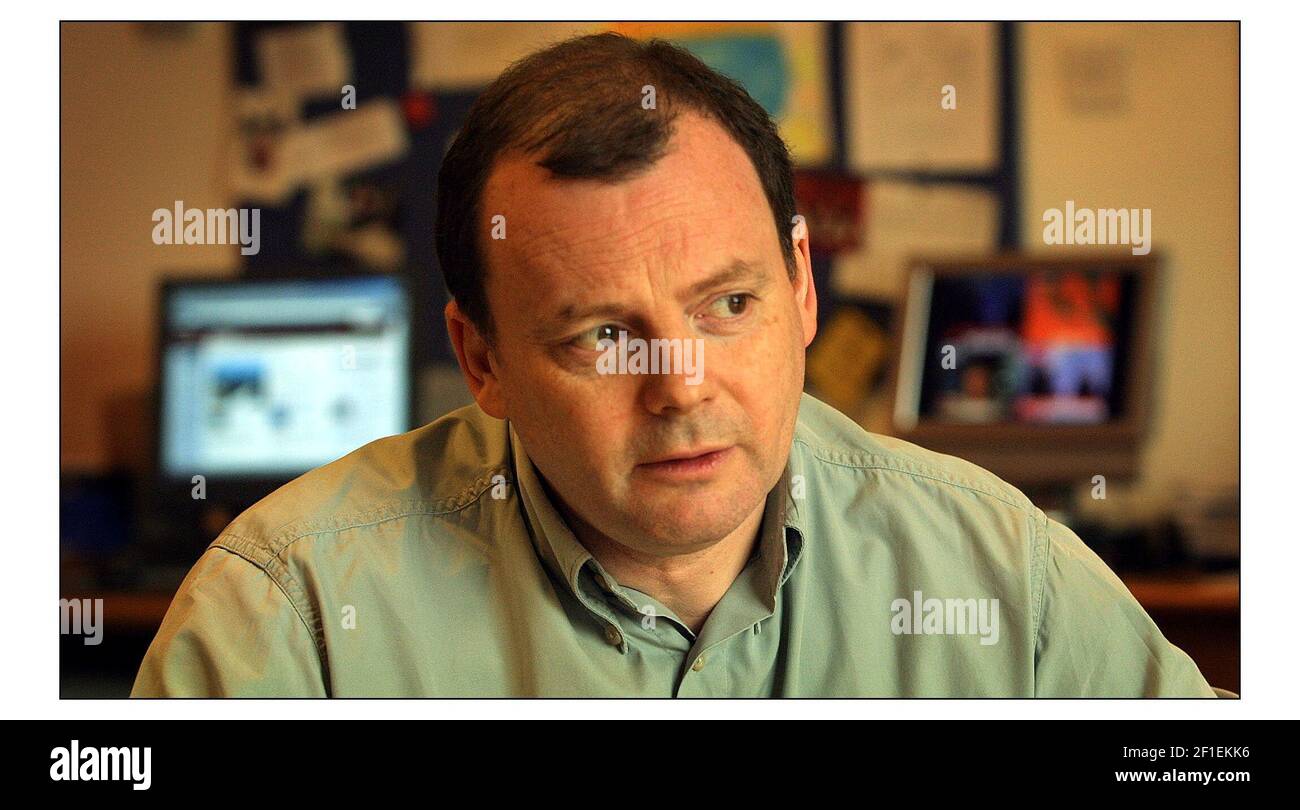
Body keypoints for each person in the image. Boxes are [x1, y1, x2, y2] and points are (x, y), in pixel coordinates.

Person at [133, 33, 1215, 697]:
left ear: (801, 286)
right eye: (600, 336)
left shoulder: (997, 572)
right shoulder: (292, 615)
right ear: (482, 360)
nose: (683, 385)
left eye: (728, 304)